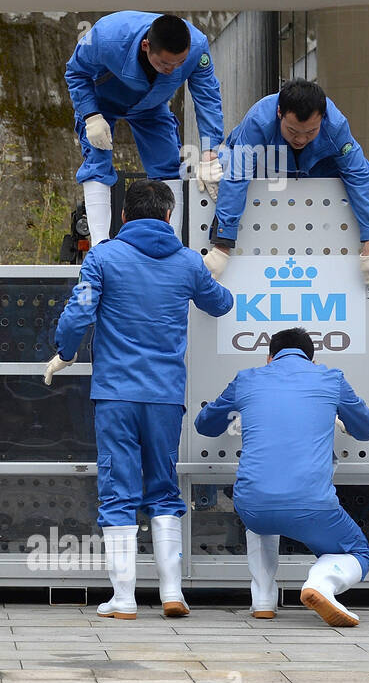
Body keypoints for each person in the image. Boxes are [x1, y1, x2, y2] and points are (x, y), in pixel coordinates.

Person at [46, 180, 233, 619]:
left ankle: (125, 597)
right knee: (164, 487)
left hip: (116, 394)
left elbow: (79, 312)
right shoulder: (188, 262)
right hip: (165, 396)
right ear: (169, 217)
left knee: (118, 489)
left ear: (124, 216)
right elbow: (220, 304)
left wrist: (64, 352)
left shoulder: (104, 257)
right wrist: (209, 270)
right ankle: (172, 593)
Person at [194, 327, 369, 627]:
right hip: (312, 505)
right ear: (312, 358)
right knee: (358, 551)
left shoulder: (246, 379)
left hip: (253, 507)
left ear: (270, 357)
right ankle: (321, 582)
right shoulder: (330, 378)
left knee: (261, 507)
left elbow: (204, 425)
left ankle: (263, 601)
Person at [65, 11, 225, 246]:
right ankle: (100, 245)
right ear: (145, 46)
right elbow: (76, 72)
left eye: (179, 63)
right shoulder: (107, 36)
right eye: (164, 63)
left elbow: (207, 97)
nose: (172, 69)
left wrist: (211, 152)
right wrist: (90, 115)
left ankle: (172, 243)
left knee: (169, 166)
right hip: (101, 103)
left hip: (152, 105)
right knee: (97, 162)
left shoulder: (198, 46)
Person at [204, 79, 369, 286]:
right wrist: (222, 246)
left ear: (323, 119)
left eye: (310, 132)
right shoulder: (259, 121)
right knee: (226, 165)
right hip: (266, 168)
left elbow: (359, 174)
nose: (300, 139)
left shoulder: (335, 126)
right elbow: (238, 176)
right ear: (280, 112)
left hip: (316, 173)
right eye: (293, 131)